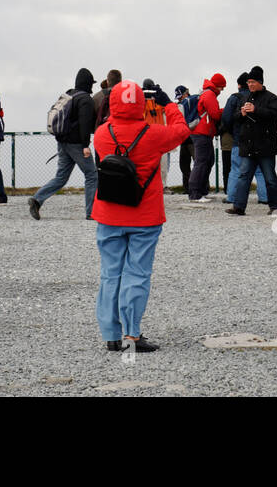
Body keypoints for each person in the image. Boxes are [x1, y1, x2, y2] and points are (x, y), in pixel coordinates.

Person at [92, 80, 192, 354]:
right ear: (142, 103)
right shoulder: (154, 134)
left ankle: (111, 335)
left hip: (109, 214)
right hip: (144, 216)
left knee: (110, 274)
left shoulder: (101, 134)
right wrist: (168, 105)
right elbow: (182, 131)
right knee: (137, 273)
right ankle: (131, 335)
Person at [30, 68, 98, 220]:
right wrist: (85, 145)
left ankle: (37, 199)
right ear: (88, 83)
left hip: (62, 143)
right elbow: (85, 123)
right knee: (92, 174)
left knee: (61, 177)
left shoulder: (69, 94)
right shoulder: (85, 99)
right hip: (76, 144)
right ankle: (92, 212)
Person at [225, 67, 277, 217]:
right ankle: (238, 207)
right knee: (244, 177)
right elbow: (235, 117)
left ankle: (275, 207)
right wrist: (242, 113)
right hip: (248, 146)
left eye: (252, 82)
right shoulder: (244, 98)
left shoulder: (272, 98)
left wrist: (256, 110)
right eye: (248, 82)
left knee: (270, 178)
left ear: (260, 82)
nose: (250, 85)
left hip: (265, 146)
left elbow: (274, 115)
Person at [221, 73, 268, 205]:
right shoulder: (260, 97)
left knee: (236, 169)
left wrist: (232, 131)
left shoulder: (234, 98)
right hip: (258, 140)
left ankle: (232, 197)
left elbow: (226, 118)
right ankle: (264, 197)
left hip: (239, 139)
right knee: (260, 170)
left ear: (239, 85)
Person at [188, 74, 226, 202]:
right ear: (218, 85)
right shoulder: (209, 94)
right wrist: (225, 110)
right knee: (201, 162)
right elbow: (214, 114)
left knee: (208, 161)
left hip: (202, 132)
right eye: (222, 87)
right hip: (201, 133)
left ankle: (202, 191)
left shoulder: (206, 93)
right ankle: (195, 194)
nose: (222, 90)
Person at [142, 79, 172, 184]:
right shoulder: (142, 101)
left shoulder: (158, 100)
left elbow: (168, 106)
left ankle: (162, 185)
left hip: (157, 134)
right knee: (151, 164)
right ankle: (151, 184)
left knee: (163, 163)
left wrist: (159, 94)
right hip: (149, 135)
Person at [173, 86, 196, 192]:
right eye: (178, 98)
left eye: (180, 97)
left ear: (186, 93)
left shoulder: (194, 103)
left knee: (198, 164)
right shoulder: (180, 106)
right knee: (184, 165)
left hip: (193, 139)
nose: (179, 99)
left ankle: (200, 187)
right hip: (183, 139)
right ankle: (187, 188)